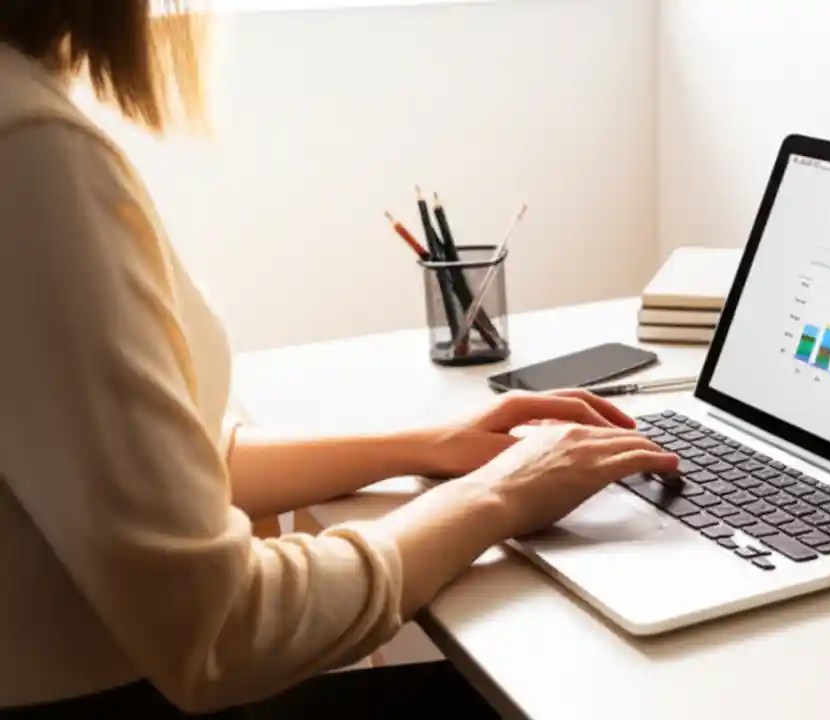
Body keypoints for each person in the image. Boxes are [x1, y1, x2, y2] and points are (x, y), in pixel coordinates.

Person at [0, 1, 678, 716]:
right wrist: (500, 494)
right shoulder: (30, 153)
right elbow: (226, 630)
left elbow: (182, 469)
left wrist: (425, 445)